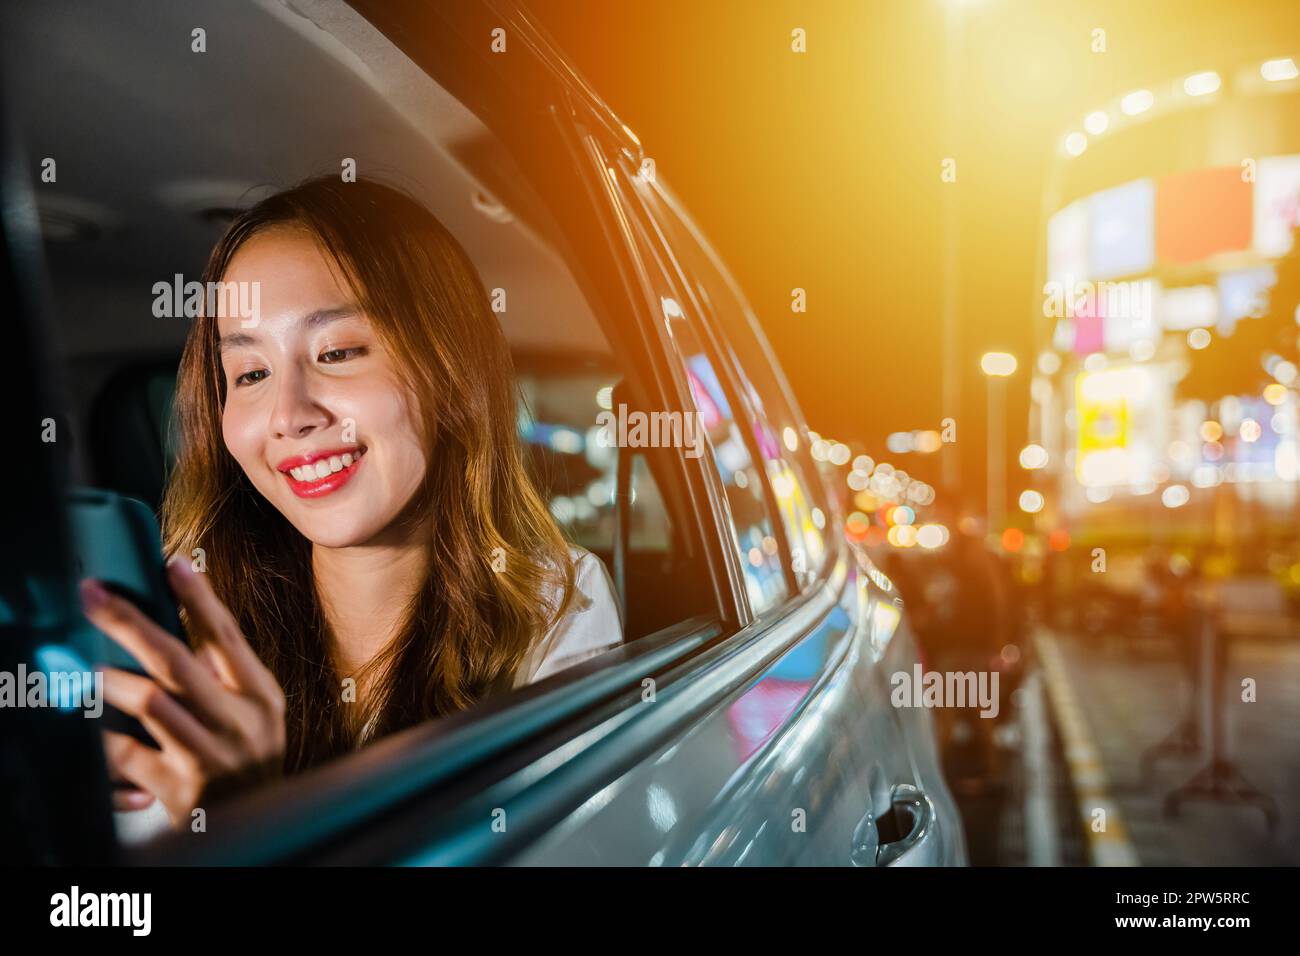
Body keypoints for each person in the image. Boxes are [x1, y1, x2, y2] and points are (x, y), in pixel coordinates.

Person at [80, 177, 623, 837]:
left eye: (337, 352)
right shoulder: (177, 619)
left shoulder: (558, 605)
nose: (289, 416)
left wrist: (242, 825)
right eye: (250, 374)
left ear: (451, 376)